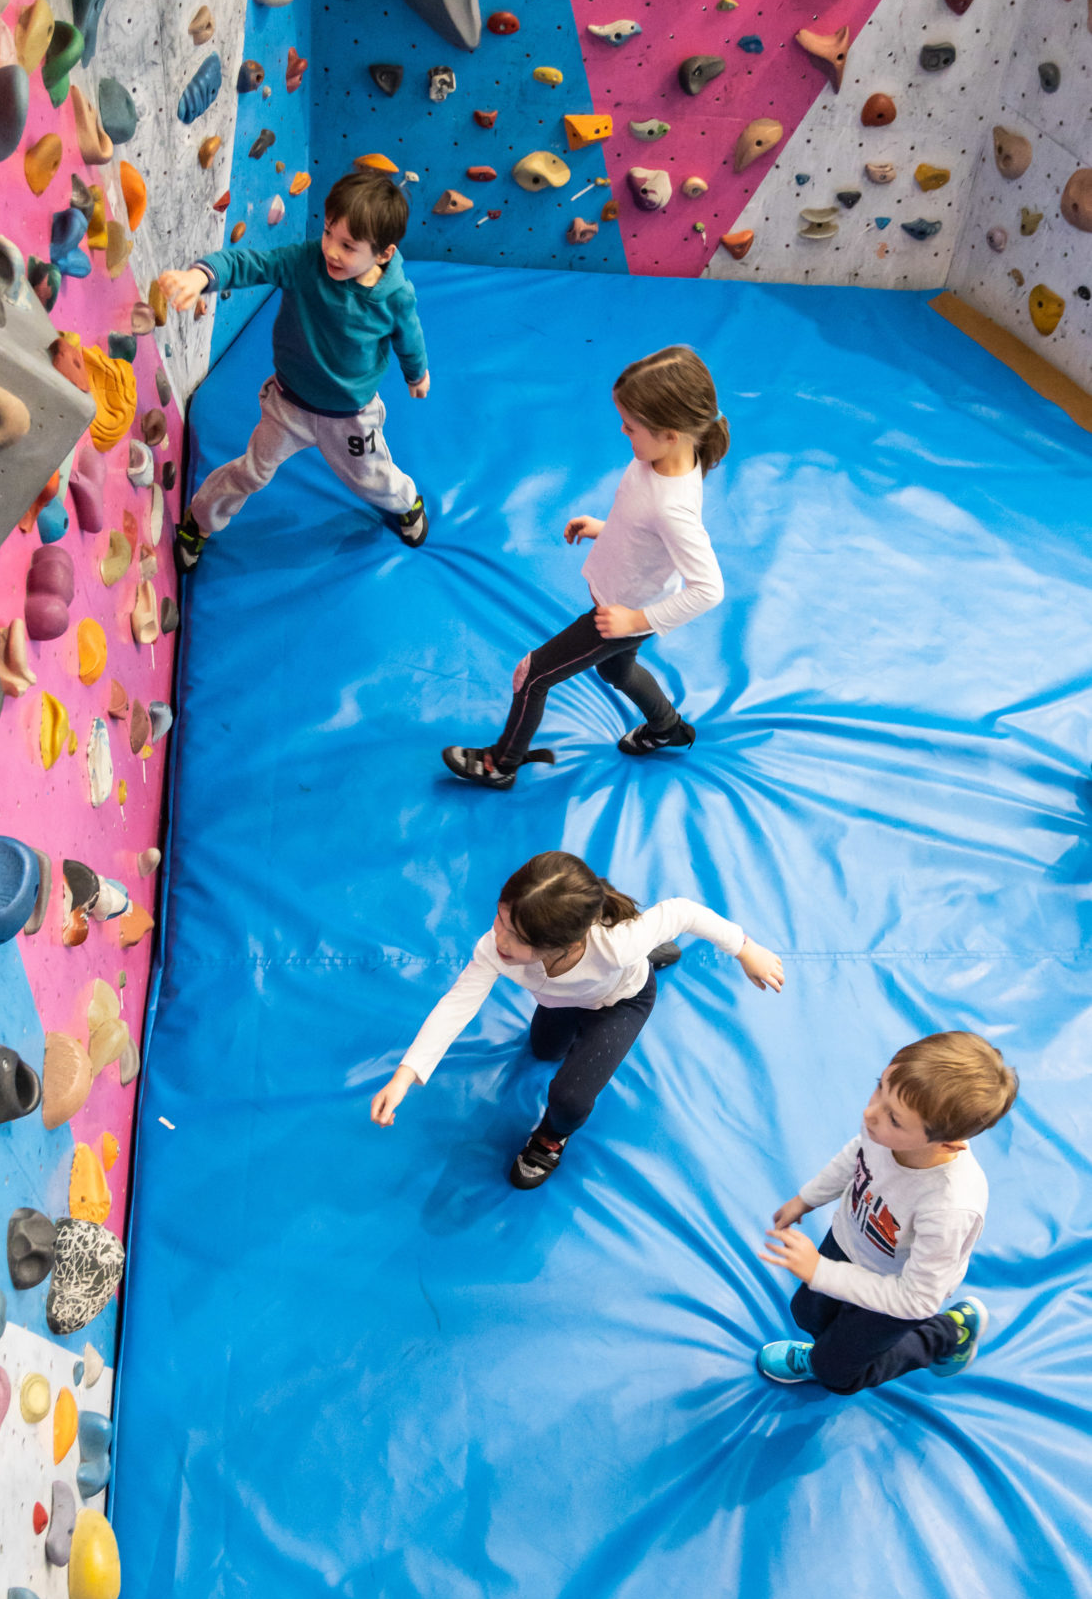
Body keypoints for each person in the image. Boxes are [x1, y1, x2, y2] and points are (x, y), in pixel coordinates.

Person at [370, 850, 783, 1189]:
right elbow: (458, 1002)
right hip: (562, 999)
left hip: (622, 999)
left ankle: (550, 1137)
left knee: (570, 1096)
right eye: (500, 918)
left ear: (562, 943)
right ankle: (650, 947)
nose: (500, 940)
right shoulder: (497, 948)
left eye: (516, 938)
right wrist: (406, 1074)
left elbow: (685, 911)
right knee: (544, 1049)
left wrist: (746, 948)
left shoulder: (614, 947)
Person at [442, 344, 727, 790]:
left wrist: (637, 619)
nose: (623, 430)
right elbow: (644, 519)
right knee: (616, 671)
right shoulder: (659, 458)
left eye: (632, 427)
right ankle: (667, 726)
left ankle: (502, 764)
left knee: (531, 674)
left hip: (621, 615)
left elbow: (709, 589)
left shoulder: (674, 507)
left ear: (671, 432)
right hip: (627, 601)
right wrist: (607, 529)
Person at [157, 169, 430, 567]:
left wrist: (416, 373)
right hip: (289, 406)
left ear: (383, 254)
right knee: (252, 472)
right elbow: (249, 264)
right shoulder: (305, 263)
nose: (332, 251)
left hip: (350, 417)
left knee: (371, 477)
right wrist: (201, 275)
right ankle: (198, 521)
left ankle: (408, 503)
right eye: (328, 233)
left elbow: (409, 336)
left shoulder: (394, 297)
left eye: (348, 246)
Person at [756, 1032, 1019, 1392]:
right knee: (808, 1312)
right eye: (880, 1087)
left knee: (839, 1374)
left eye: (894, 1119)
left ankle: (947, 1333)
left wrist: (821, 1271)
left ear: (946, 1144)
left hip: (897, 1295)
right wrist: (808, 1199)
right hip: (849, 1243)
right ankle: (828, 1352)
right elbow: (857, 1156)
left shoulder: (949, 1206)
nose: (870, 1113)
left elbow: (916, 1297)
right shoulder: (881, 1130)